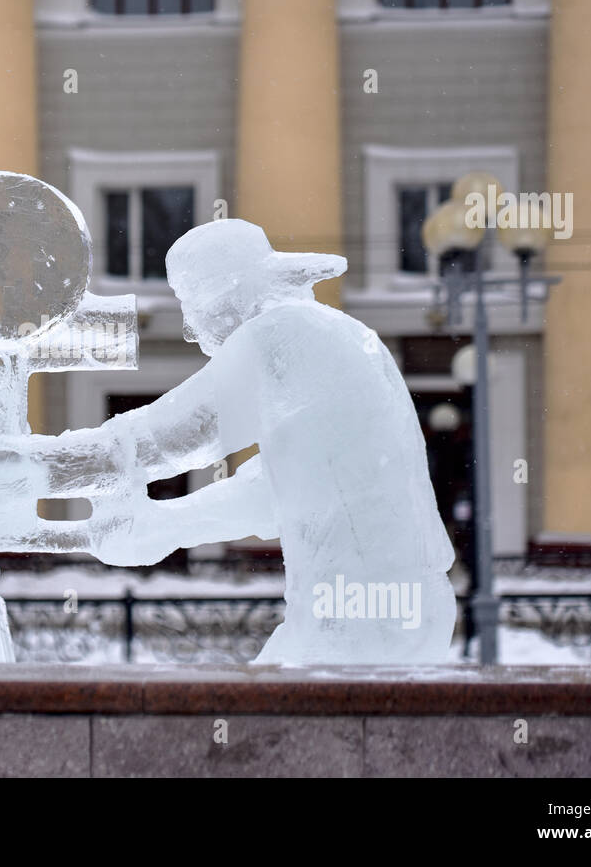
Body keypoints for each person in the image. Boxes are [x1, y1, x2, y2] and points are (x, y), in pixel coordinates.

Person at [24, 219, 456, 665]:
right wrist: (167, 524)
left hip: (359, 611)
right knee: (269, 715)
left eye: (189, 305)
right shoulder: (336, 336)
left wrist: (23, 473)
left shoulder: (284, 335)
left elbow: (167, 438)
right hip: (383, 602)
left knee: (273, 725)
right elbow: (276, 492)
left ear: (223, 295)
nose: (190, 330)